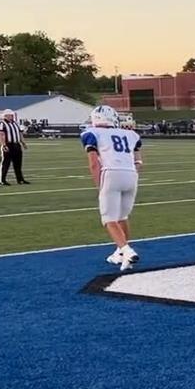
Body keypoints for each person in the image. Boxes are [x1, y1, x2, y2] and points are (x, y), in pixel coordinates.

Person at [80, 105, 142, 271]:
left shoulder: (91, 133)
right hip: (130, 175)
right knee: (122, 216)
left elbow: (94, 164)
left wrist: (99, 185)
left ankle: (127, 251)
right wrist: (133, 174)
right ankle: (120, 254)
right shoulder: (131, 134)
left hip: (111, 173)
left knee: (108, 218)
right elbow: (138, 161)